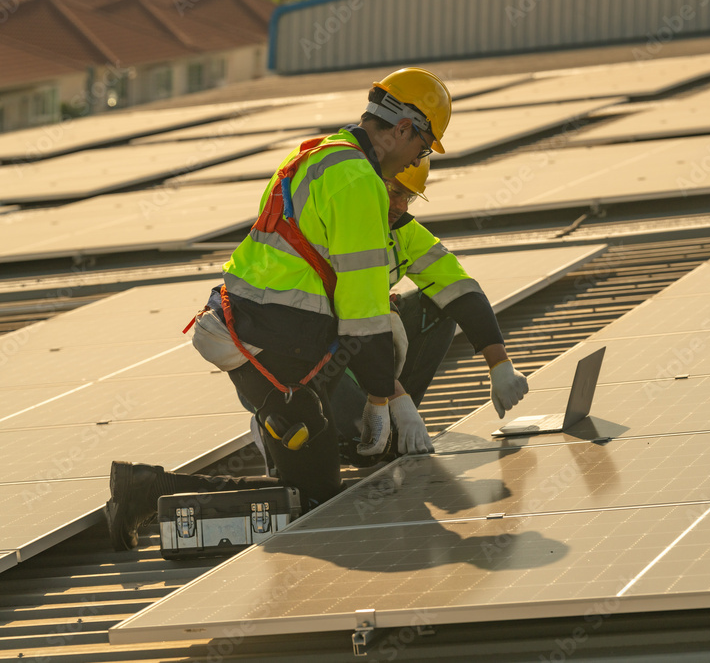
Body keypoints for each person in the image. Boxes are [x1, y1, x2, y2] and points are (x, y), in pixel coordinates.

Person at [104, 68, 529, 551]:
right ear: (404, 129)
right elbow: (363, 313)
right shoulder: (358, 183)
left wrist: (486, 367)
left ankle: (283, 439)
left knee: (319, 490)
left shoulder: (321, 155)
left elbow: (443, 294)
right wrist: (383, 401)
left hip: (276, 336)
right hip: (267, 347)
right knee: (314, 503)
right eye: (425, 147)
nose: (418, 160)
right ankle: (146, 491)